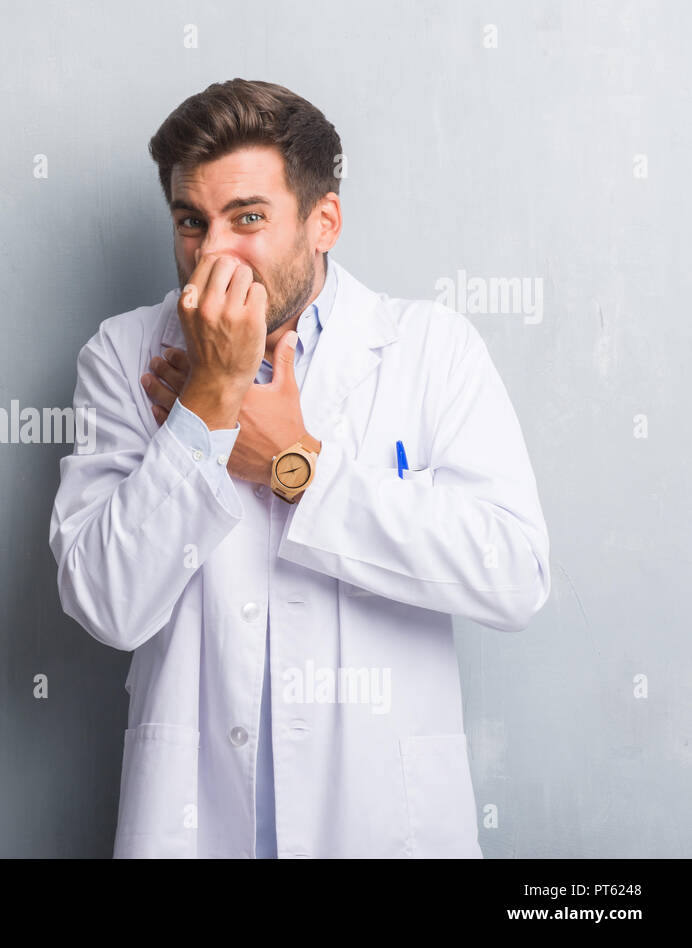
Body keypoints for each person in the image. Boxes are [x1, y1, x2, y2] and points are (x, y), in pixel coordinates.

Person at [48, 79, 550, 858]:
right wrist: (207, 405)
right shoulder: (122, 355)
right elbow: (108, 603)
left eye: (247, 217)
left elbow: (514, 574)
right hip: (196, 819)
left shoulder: (431, 349)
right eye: (191, 220)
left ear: (325, 223)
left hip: (382, 823)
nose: (212, 253)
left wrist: (296, 466)